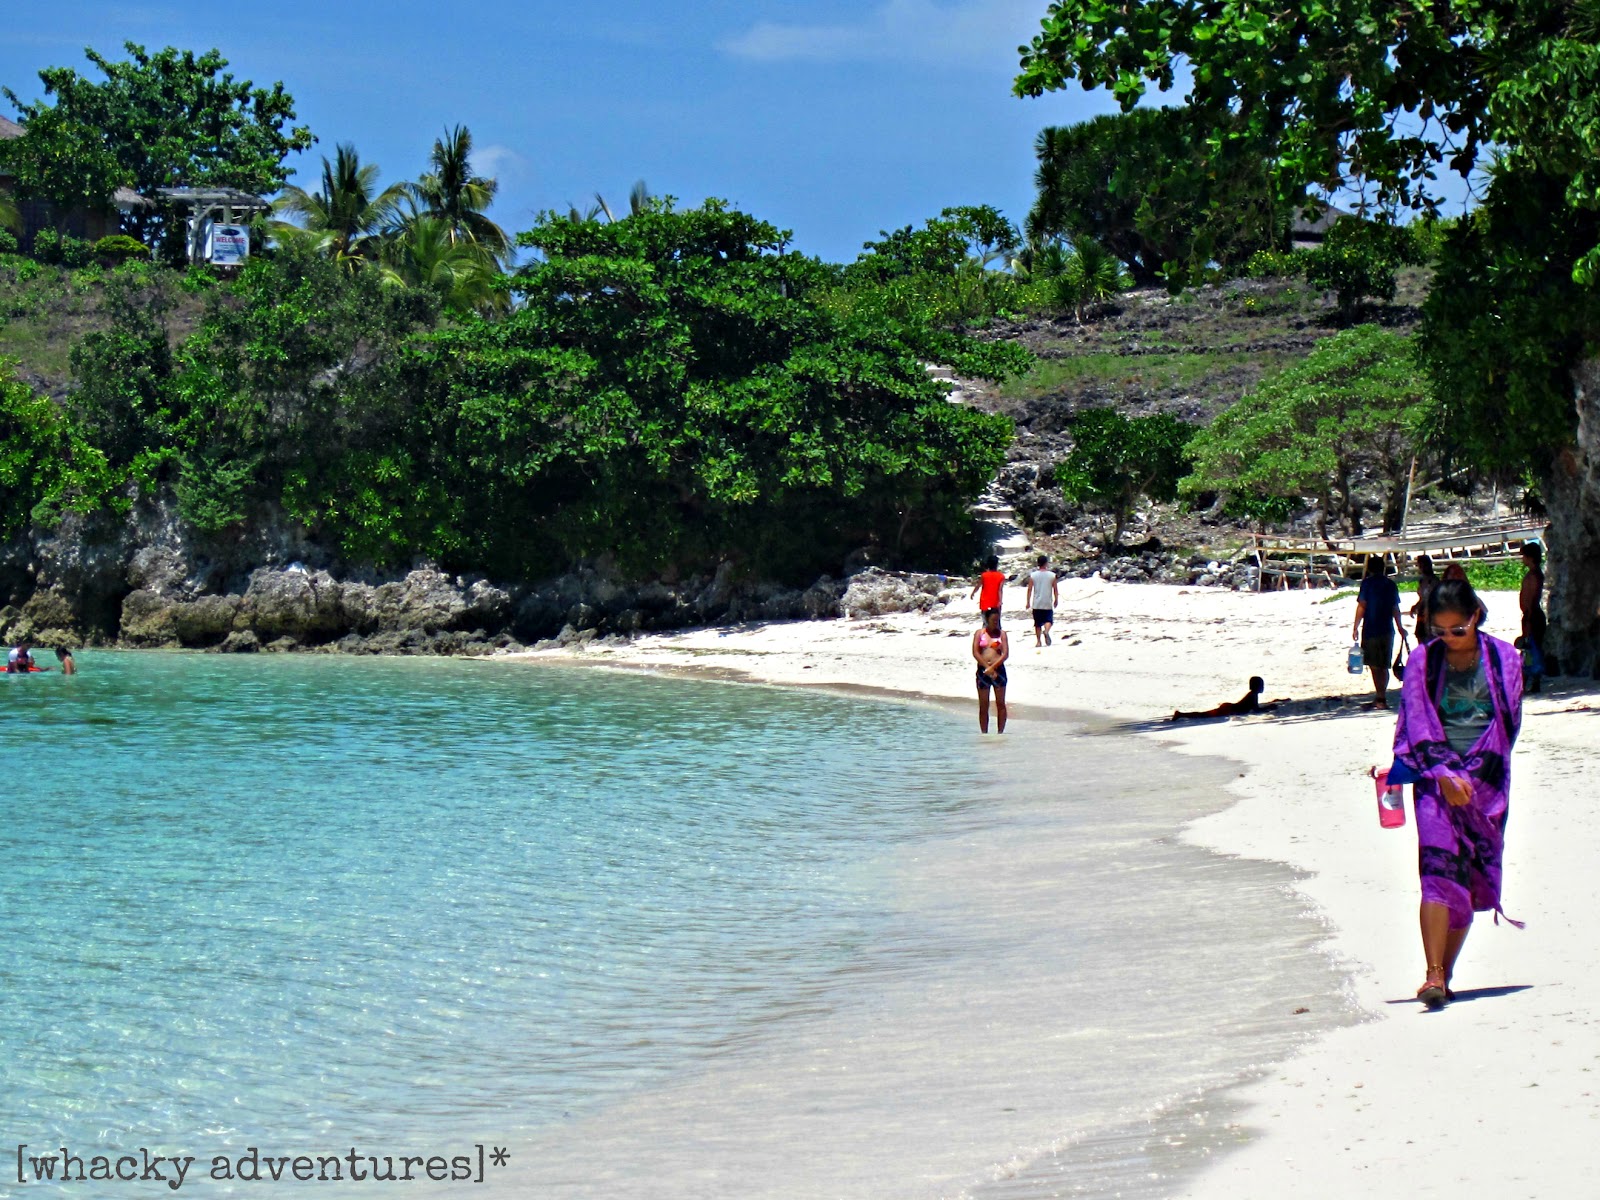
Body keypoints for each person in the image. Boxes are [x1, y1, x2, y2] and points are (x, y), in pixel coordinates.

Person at [1391, 577, 1525, 1008]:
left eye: (1457, 630)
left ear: (1476, 618)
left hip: (1485, 784)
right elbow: (1417, 719)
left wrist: (1471, 779)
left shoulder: (1506, 659)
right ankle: (1432, 973)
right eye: (1439, 631)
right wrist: (1444, 772)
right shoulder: (1423, 663)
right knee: (1435, 873)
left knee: (1466, 882)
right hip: (1435, 780)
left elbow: (1508, 727)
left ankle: (1445, 976)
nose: (1448, 639)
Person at [1352, 557, 1407, 708]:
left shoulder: (1367, 584)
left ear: (1369, 568)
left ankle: (1381, 697)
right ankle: (1381, 697)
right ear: (1383, 568)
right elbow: (1395, 608)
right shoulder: (1390, 584)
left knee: (1375, 666)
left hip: (1371, 629)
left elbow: (1362, 606)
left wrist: (1356, 626)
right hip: (1388, 630)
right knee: (1384, 665)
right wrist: (1400, 627)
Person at [1171, 677, 1282, 721]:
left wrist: (1273, 703)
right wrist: (1269, 708)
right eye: (1261, 685)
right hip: (1229, 709)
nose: (1263, 687)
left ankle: (1181, 714)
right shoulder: (1253, 695)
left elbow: (1254, 708)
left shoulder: (1253, 695)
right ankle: (1180, 714)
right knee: (1203, 715)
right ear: (1256, 686)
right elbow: (1256, 710)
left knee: (1204, 714)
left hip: (1229, 708)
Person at [971, 608, 1009, 733]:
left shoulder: (1002, 634)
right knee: (983, 704)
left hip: (998, 671)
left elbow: (1005, 654)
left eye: (997, 621)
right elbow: (976, 652)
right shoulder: (979, 633)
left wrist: (993, 667)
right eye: (993, 620)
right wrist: (986, 667)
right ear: (986, 620)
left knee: (1000, 703)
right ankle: (984, 733)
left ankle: (1000, 733)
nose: (995, 623)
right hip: (983, 671)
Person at [1519, 543, 1546, 693]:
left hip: (1532, 615)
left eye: (1524, 556)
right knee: (1529, 649)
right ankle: (1529, 682)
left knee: (1531, 649)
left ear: (1530, 557)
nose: (1522, 559)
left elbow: (1533, 597)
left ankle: (1531, 682)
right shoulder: (1533, 574)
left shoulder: (1534, 575)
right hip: (1530, 614)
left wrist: (1528, 615)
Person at [1025, 555, 1059, 648]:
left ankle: (1038, 641)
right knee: (1049, 620)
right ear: (1046, 563)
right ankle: (1046, 631)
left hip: (1037, 603)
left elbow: (1029, 589)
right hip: (1047, 602)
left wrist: (1028, 602)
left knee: (1037, 623)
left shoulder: (1033, 575)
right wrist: (1056, 599)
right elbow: (1055, 589)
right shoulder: (1052, 575)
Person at [1410, 554, 1438, 642]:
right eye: (1419, 566)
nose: (1421, 568)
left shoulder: (1434, 581)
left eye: (1422, 565)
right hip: (1422, 611)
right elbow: (1422, 598)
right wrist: (1416, 606)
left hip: (1431, 612)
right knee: (1421, 636)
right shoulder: (1422, 580)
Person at [969, 555, 1006, 619]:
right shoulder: (1001, 576)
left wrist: (973, 593)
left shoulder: (984, 575)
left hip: (985, 603)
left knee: (985, 623)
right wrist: (1000, 601)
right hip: (995, 603)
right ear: (997, 565)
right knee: (996, 624)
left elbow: (978, 586)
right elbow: (1000, 590)